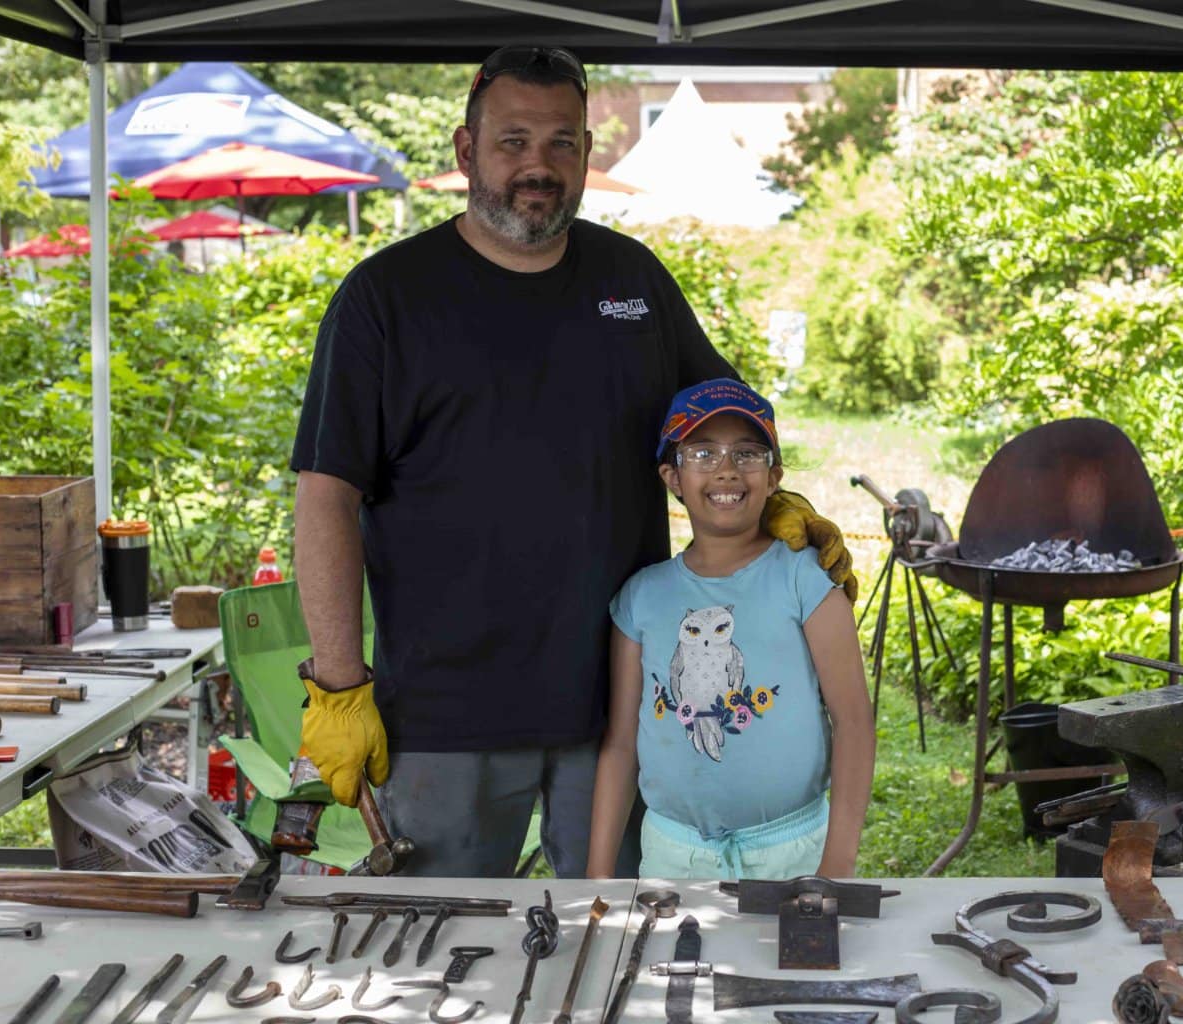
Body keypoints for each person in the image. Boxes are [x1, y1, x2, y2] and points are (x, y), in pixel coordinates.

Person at [289, 44, 854, 878]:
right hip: (449, 714)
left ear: (588, 152)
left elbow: (723, 433)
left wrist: (776, 509)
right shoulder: (386, 298)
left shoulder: (633, 281)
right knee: (446, 951)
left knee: (626, 941)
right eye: (513, 141)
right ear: (464, 150)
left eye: (561, 142)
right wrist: (338, 682)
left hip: (622, 703)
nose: (538, 166)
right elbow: (327, 493)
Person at [587, 379, 875, 880]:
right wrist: (597, 876)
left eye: (747, 453)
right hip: (674, 854)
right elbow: (621, 744)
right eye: (701, 452)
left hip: (795, 852)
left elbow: (853, 723)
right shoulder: (642, 597)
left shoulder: (806, 578)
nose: (725, 469)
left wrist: (836, 870)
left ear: (774, 476)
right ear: (672, 477)